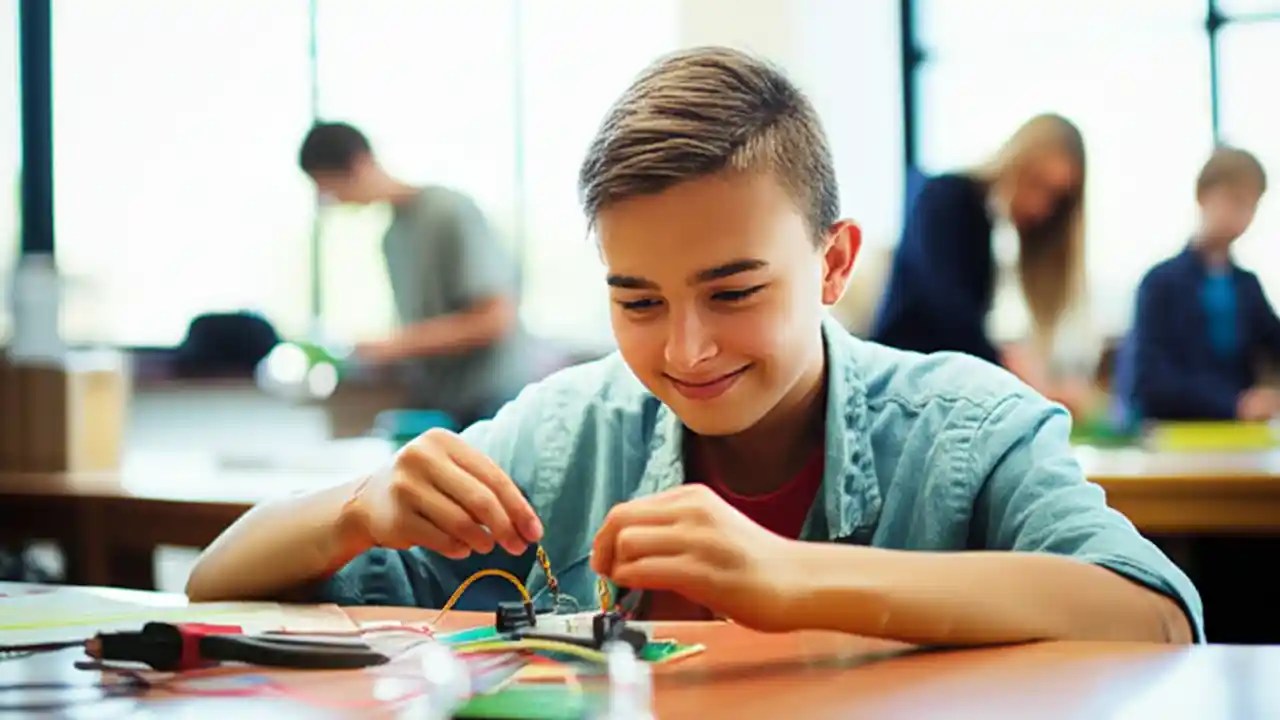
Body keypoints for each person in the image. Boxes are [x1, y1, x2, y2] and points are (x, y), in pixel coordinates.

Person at [188, 48, 1199, 645]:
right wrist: (359, 505)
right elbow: (214, 586)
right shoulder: (557, 436)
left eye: (734, 291)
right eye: (634, 300)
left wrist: (795, 579)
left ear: (833, 263)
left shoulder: (964, 425)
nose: (685, 348)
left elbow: (1152, 613)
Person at [298, 122, 532, 427]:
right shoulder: (393, 237)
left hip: (492, 402)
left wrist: (390, 346)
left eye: (328, 187)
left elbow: (495, 320)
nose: (330, 200)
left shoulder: (448, 211)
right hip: (442, 404)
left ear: (359, 164)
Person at [871, 114, 1093, 411]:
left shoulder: (990, 228)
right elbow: (950, 315)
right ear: (1016, 162)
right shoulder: (945, 199)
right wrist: (1016, 375)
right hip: (899, 394)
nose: (1041, 207)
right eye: (1037, 183)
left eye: (1056, 198)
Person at [1124, 146, 1280, 421]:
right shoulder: (1160, 284)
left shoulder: (1248, 287)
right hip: (1175, 441)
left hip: (1242, 441)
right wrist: (1235, 404)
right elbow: (1150, 383)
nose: (1241, 215)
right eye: (1234, 199)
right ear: (1203, 195)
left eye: (1250, 205)